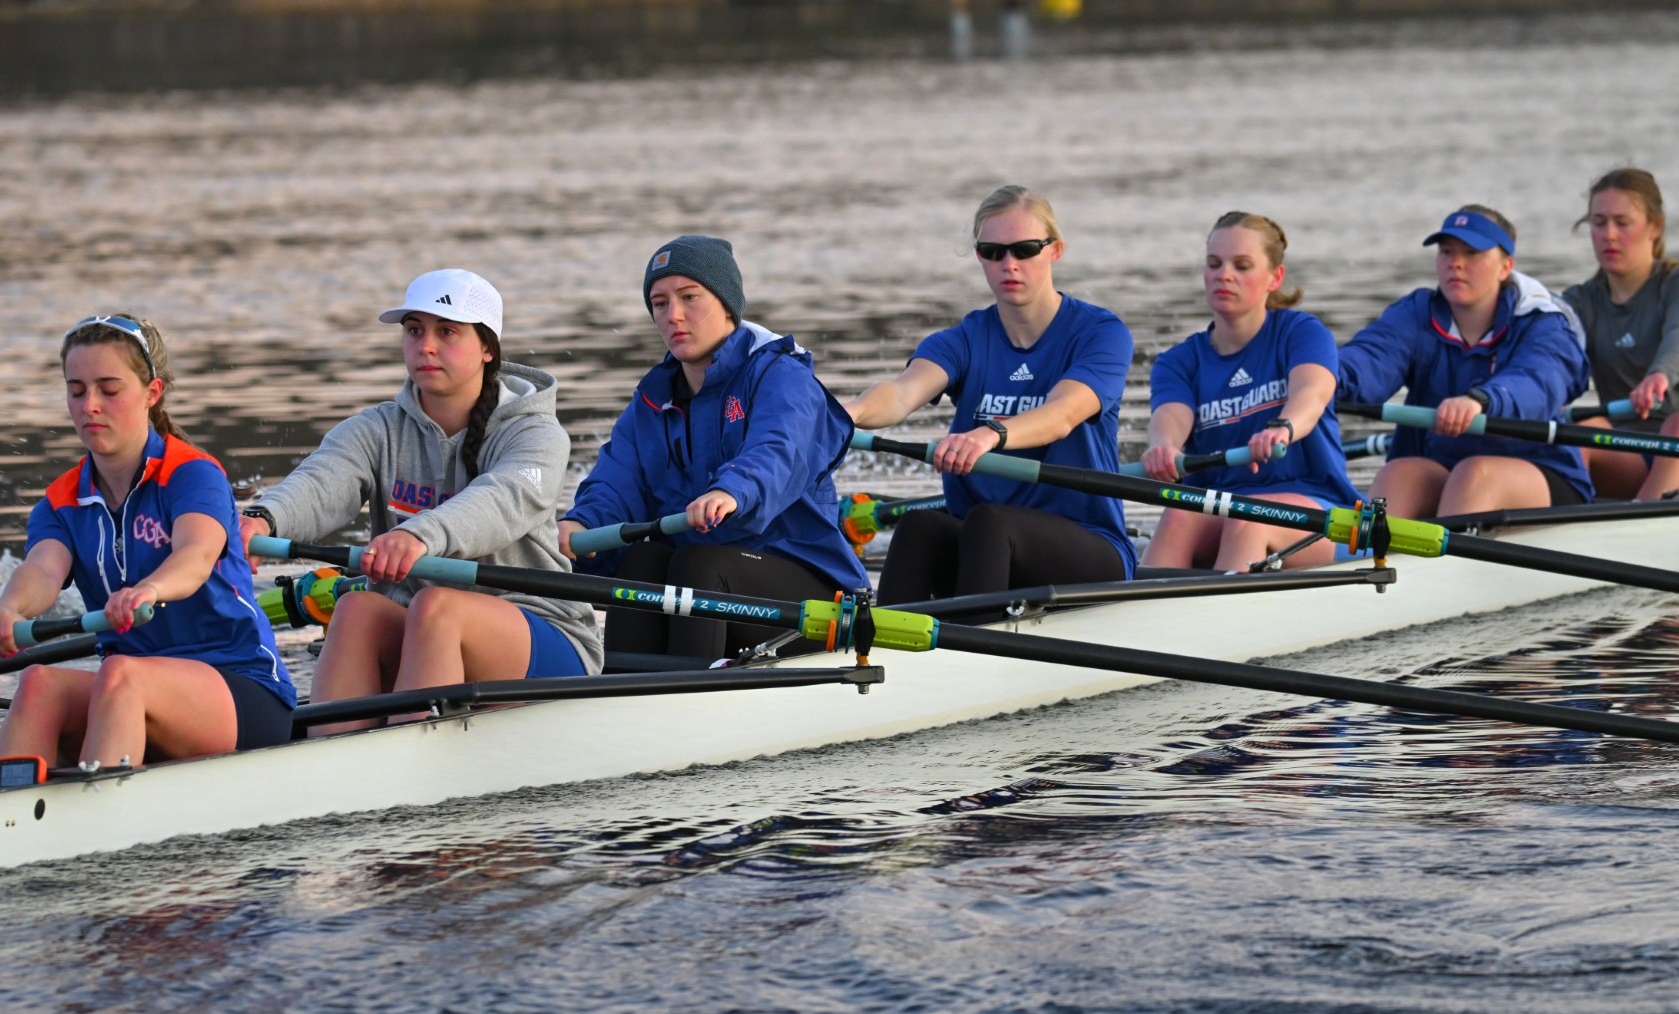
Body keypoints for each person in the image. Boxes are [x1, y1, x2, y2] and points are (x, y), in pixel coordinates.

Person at [239, 270, 599, 733]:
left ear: (488, 348)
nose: (425, 346)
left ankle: (409, 779)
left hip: (543, 634)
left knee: (438, 607)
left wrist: (417, 534)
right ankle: (327, 765)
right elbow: (321, 480)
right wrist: (262, 519)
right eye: (414, 331)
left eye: (446, 331)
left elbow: (505, 497)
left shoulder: (535, 434)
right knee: (357, 608)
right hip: (422, 633)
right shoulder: (377, 431)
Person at [0, 314, 295, 770]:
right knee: (38, 683)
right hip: (127, 690)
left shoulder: (192, 474)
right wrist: (7, 609)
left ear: (152, 393)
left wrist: (150, 589)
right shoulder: (60, 502)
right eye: (77, 390)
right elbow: (42, 571)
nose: (90, 406)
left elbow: (196, 555)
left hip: (240, 688)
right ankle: (4, 819)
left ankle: (99, 825)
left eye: (109, 389)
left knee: (121, 673)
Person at [559, 236, 865, 661]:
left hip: (812, 591)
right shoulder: (652, 398)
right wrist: (581, 524)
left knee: (698, 564)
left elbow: (777, 451)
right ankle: (621, 693)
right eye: (660, 303)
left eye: (689, 297)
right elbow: (618, 479)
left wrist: (730, 492)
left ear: (726, 304)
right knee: (643, 563)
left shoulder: (782, 376)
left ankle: (691, 704)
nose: (674, 316)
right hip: (714, 585)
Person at [844, 185, 1134, 603]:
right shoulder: (964, 339)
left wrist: (990, 434)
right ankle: (886, 652)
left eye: (1025, 249)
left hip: (1087, 543)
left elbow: (1064, 414)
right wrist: (845, 413)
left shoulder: (1100, 334)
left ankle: (973, 649)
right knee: (920, 526)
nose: (1009, 264)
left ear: (1055, 250)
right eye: (993, 252)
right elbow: (901, 393)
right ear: (979, 256)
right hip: (987, 542)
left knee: (989, 522)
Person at [1337, 205, 1592, 520]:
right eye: (1446, 252)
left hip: (1540, 472)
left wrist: (1481, 401)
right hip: (1443, 468)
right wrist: (1316, 378)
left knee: (1475, 474)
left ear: (1505, 267)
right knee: (1398, 473)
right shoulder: (1416, 315)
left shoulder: (1543, 322)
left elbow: (1538, 382)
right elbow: (1368, 360)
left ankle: (1442, 564)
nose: (1455, 263)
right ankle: (1365, 564)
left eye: (1472, 253)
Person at [1141, 212, 1359, 571]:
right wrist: (1163, 447)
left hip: (1322, 509)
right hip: (1226, 506)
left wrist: (1283, 427)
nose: (1223, 274)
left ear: (1275, 277)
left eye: (1241, 265)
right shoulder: (1178, 362)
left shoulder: (1302, 333)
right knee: (1177, 516)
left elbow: (1312, 394)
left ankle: (1217, 617)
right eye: (1214, 264)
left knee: (1249, 519)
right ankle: (1137, 617)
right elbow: (1171, 417)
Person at [1562, 168, 1679, 501]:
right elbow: (1549, 353)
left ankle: (1638, 531)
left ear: (1655, 226)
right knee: (1583, 430)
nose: (1608, 235)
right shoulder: (1580, 302)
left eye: (1622, 222)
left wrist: (1660, 374)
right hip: (1632, 451)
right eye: (1599, 223)